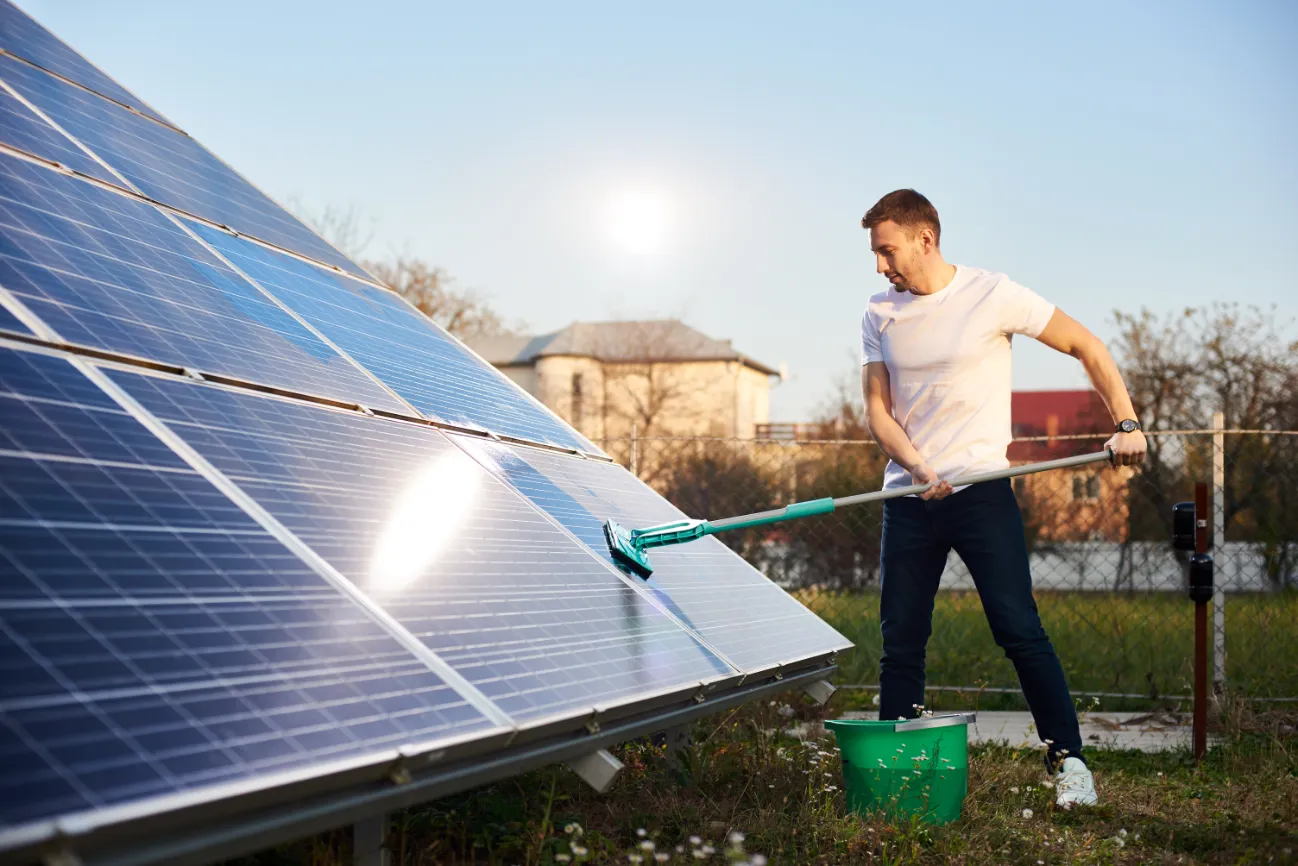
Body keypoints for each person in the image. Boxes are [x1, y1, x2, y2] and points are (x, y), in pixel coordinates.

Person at [858, 189, 1147, 809]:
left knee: (1018, 629)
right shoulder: (879, 311)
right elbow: (878, 412)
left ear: (924, 239)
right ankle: (897, 772)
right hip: (909, 497)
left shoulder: (993, 294)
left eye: (887, 251)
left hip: (982, 492)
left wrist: (1125, 424)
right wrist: (916, 465)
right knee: (901, 639)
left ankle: (1069, 762)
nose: (881, 266)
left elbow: (1087, 347)